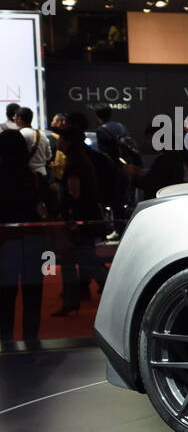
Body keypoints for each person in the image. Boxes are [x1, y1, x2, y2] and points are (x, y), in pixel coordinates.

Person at [51, 125, 108, 317]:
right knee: (80, 258)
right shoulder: (83, 162)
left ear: (66, 142)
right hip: (85, 218)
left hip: (77, 221)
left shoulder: (74, 165)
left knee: (83, 258)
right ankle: (71, 299)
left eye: (60, 140)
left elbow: (74, 194)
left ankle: (108, 286)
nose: (57, 143)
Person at [0, 129, 48, 341]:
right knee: (32, 297)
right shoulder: (35, 178)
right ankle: (31, 340)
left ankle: (6, 341)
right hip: (33, 243)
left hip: (4, 244)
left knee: (5, 298)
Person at [15, 107, 52, 177]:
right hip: (42, 174)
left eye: (15, 118)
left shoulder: (20, 134)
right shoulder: (42, 134)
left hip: (27, 175)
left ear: (19, 119)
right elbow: (49, 156)